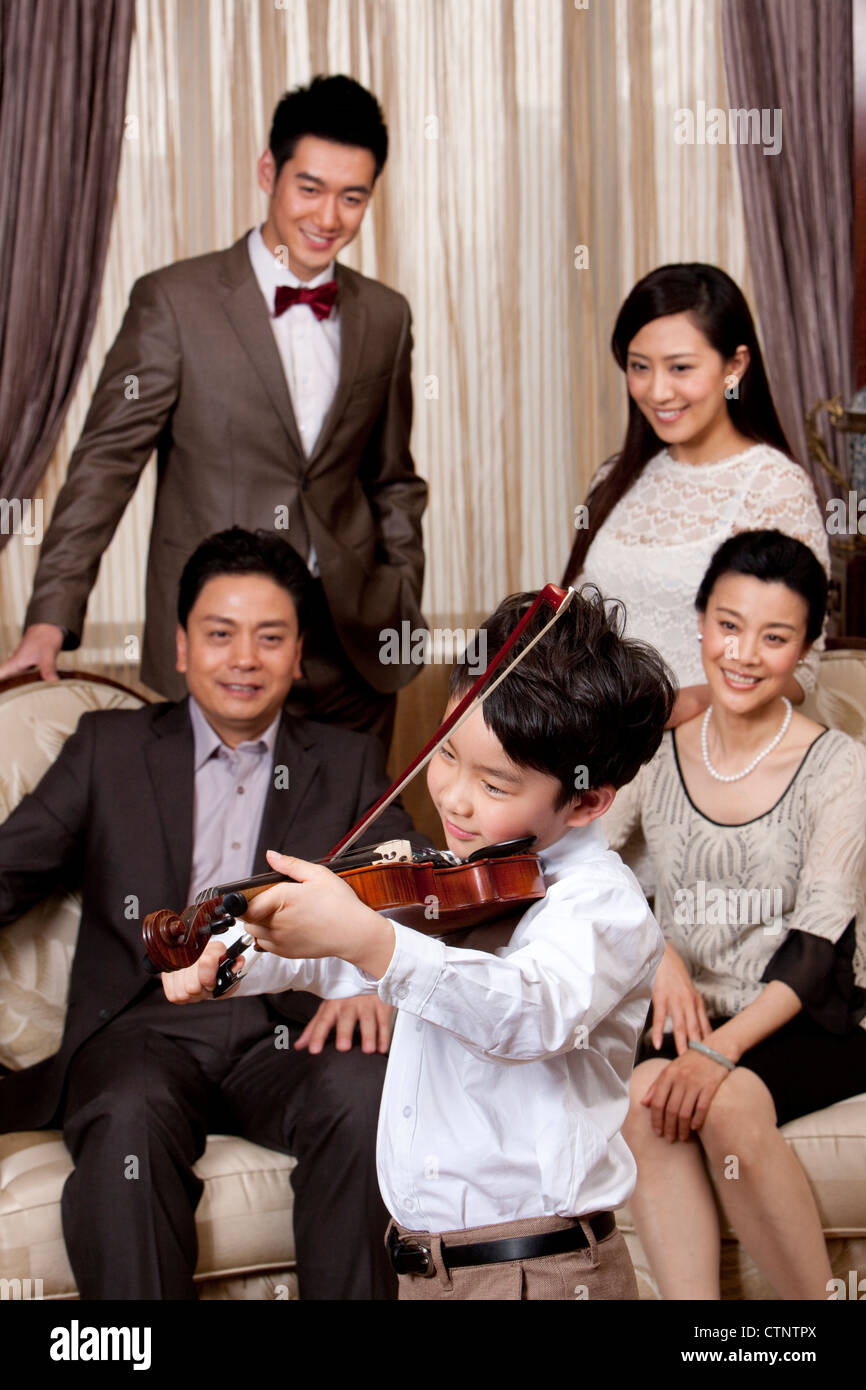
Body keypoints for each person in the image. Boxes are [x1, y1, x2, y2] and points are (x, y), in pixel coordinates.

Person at [164, 586, 677, 1300]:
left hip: (540, 1275)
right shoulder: (463, 883)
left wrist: (373, 942)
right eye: (446, 754)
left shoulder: (601, 903)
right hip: (426, 1270)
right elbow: (338, 962)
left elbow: (529, 1014)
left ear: (587, 800)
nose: (456, 798)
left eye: (496, 783)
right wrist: (231, 958)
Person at [0, 528, 424, 1300]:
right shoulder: (109, 747)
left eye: (270, 638)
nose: (244, 659)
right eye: (220, 635)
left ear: (298, 656)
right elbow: (9, 868)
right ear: (182, 647)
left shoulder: (349, 759)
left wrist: (376, 975)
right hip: (143, 1027)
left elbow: (417, 888)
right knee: (126, 1115)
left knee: (368, 1092)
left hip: (292, 1028)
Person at [0, 74, 427, 749]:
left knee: (351, 851)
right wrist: (52, 619)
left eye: (353, 197)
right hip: (219, 648)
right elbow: (104, 468)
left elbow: (393, 479)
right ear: (269, 172)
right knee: (216, 850)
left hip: (351, 651)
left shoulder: (385, 314)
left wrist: (399, 587)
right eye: (309, 188)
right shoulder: (173, 302)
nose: (327, 218)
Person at [606, 530, 866, 1300]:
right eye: (728, 625)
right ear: (700, 622)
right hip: (685, 1010)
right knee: (642, 1101)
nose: (745, 654)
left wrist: (716, 1056)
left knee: (730, 1098)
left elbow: (820, 943)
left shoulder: (841, 765)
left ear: (807, 647)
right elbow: (578, 861)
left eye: (775, 636)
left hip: (803, 1015)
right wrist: (660, 955)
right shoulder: (655, 750)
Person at [562, 263, 829, 730]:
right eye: (639, 367)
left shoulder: (772, 486)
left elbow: (801, 670)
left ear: (735, 367)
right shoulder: (617, 475)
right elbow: (574, 621)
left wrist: (677, 706)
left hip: (706, 752)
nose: (658, 391)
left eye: (680, 368)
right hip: (599, 745)